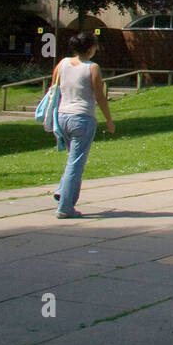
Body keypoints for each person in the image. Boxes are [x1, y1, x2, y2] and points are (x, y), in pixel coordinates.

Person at [51, 32, 115, 218]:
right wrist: (109, 120)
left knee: (73, 158)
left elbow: (54, 88)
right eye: (95, 46)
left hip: (62, 116)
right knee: (76, 163)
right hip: (82, 117)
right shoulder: (92, 68)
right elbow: (99, 95)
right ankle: (65, 206)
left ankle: (64, 191)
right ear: (90, 49)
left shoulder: (62, 63)